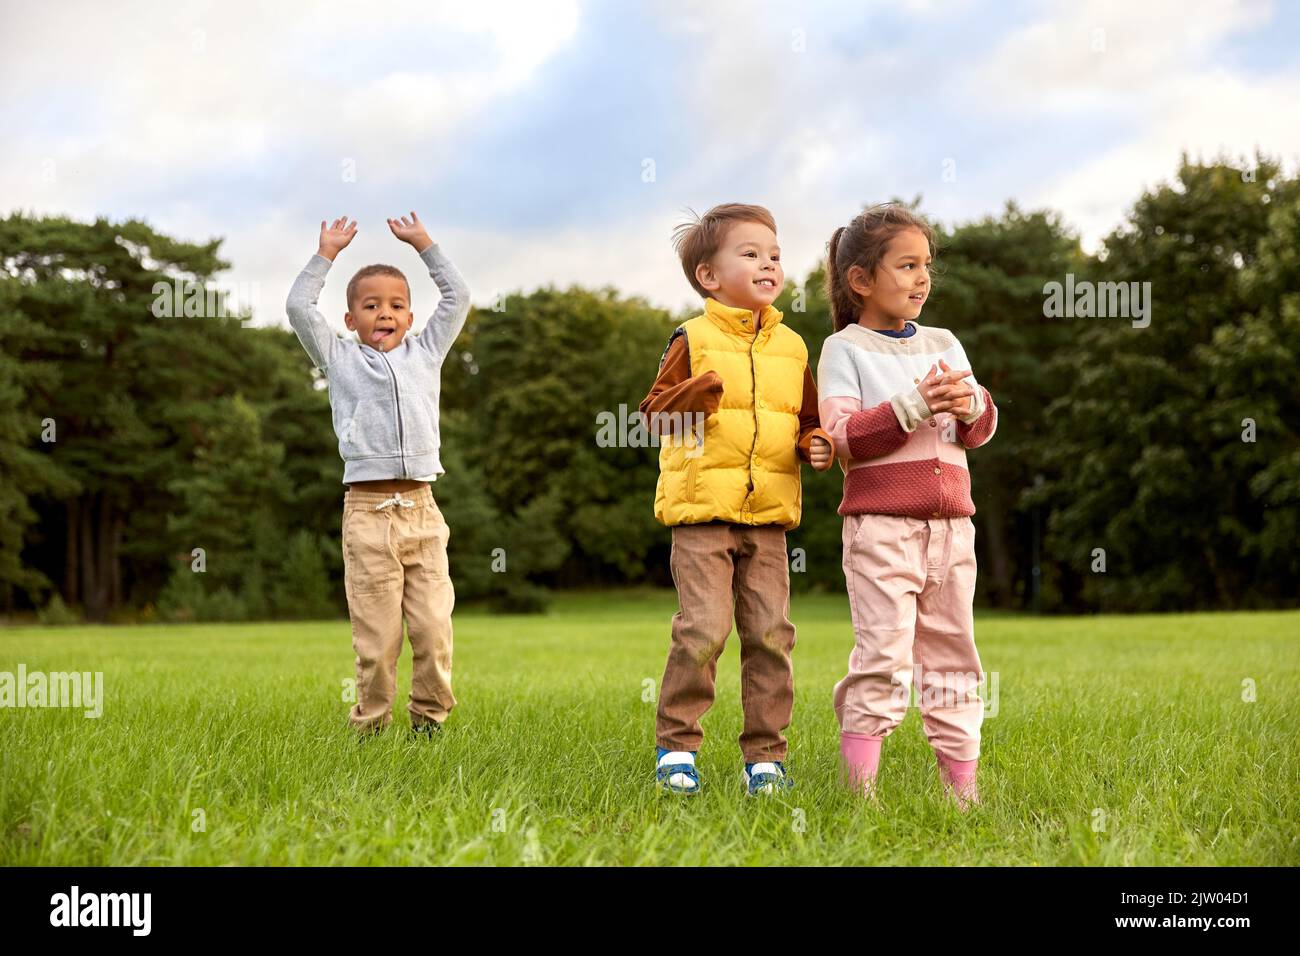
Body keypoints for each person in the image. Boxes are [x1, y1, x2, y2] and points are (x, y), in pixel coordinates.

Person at [639, 202, 834, 796]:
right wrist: (695, 392)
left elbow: (807, 419)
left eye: (774, 254)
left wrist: (816, 442)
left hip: (769, 520)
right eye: (749, 254)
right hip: (701, 515)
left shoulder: (795, 347)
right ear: (709, 276)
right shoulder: (691, 338)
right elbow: (653, 417)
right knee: (702, 629)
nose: (768, 264)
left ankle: (766, 759)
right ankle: (677, 750)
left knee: (772, 635)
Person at [817, 203, 998, 811]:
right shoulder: (844, 349)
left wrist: (971, 408)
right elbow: (842, 437)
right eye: (907, 265)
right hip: (882, 530)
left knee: (955, 658)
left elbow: (976, 431)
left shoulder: (946, 343)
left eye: (927, 266)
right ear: (861, 280)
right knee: (884, 660)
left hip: (953, 533)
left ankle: (962, 794)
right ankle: (859, 796)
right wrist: (915, 404)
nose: (923, 278)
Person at [285, 212, 469, 738]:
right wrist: (326, 255)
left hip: (422, 513)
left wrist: (424, 245)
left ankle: (429, 723)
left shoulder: (427, 352)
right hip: (368, 517)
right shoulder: (338, 358)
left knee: (433, 632)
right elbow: (299, 307)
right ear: (350, 320)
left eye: (395, 305)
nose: (383, 313)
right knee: (377, 640)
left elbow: (457, 296)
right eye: (370, 306)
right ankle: (370, 728)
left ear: (410, 317)